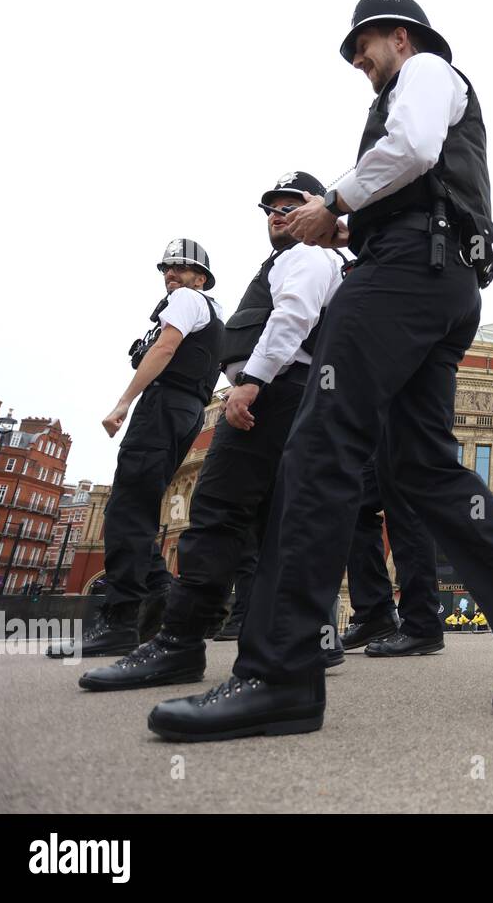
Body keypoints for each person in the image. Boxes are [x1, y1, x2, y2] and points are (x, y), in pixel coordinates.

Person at [147, 0, 493, 742]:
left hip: (402, 275)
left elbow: (416, 148)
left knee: (321, 444)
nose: (360, 65)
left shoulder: (426, 71)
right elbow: (423, 173)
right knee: (423, 466)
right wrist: (353, 221)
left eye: (364, 49)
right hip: (444, 282)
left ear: (401, 35)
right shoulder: (429, 88)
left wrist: (335, 202)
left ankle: (279, 671)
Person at [76, 173, 341, 690]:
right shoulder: (296, 261)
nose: (278, 214)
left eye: (291, 205)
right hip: (283, 392)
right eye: (271, 208)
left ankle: (179, 644)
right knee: (269, 524)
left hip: (273, 391)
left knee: (217, 511)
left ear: (317, 209)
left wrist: (251, 382)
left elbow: (290, 319)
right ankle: (294, 644)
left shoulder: (306, 257)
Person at [49, 240, 224, 658]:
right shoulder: (210, 311)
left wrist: (124, 402)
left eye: (181, 268)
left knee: (126, 507)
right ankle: (159, 594)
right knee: (139, 507)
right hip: (188, 411)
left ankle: (119, 620)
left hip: (164, 404)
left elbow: (164, 349)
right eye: (167, 268)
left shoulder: (186, 300)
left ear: (199, 278)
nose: (171, 275)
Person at [341, 455, 445, 656]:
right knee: (355, 501)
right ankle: (374, 614)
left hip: (406, 428)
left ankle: (422, 622)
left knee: (405, 505)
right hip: (379, 433)